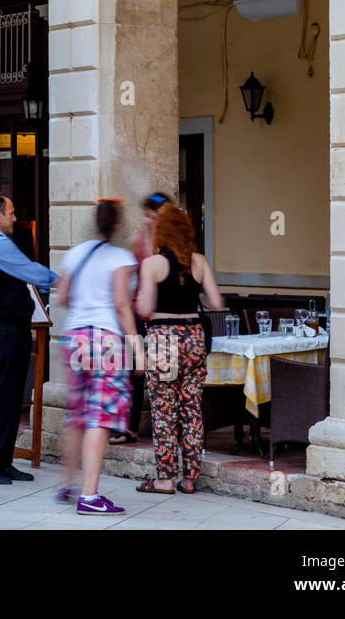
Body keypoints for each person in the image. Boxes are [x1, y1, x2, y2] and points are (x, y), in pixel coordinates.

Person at [0, 193, 58, 486]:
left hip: (10, 329)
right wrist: (62, 280)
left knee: (9, 398)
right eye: (12, 212)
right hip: (3, 330)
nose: (16, 218)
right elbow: (32, 272)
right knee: (1, 398)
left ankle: (2, 463)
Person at [54, 199, 139, 515]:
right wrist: (137, 347)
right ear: (117, 225)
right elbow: (121, 304)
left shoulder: (76, 253)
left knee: (76, 413)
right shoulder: (121, 257)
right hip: (105, 340)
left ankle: (66, 483)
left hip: (75, 336)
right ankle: (89, 496)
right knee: (99, 416)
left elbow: (61, 296)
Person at [136, 203, 225, 495]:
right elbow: (216, 302)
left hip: (164, 337)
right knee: (191, 409)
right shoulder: (199, 261)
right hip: (194, 337)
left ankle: (164, 478)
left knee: (164, 411)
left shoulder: (153, 264)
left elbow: (146, 308)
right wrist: (191, 291)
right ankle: (190, 478)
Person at [110, 191, 172, 446]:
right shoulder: (138, 240)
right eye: (145, 216)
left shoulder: (173, 242)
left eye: (152, 215)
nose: (147, 221)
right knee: (133, 371)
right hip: (138, 312)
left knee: (166, 371)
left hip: (164, 315)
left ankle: (167, 430)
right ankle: (129, 428)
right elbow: (128, 276)